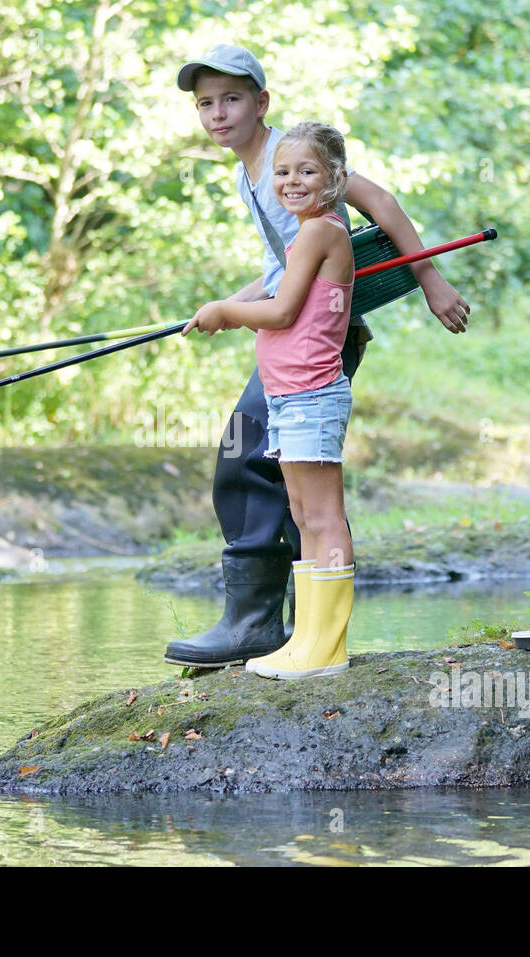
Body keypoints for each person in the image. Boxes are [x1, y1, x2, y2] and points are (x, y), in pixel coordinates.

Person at [163, 44, 471, 670]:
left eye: (232, 99)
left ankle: (268, 628)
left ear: (261, 103)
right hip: (289, 336)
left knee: (248, 457)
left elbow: (379, 205)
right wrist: (223, 303)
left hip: (317, 341)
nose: (218, 114)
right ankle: (289, 629)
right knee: (261, 465)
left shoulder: (295, 157)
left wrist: (430, 281)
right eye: (206, 104)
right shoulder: (252, 173)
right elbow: (283, 271)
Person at [183, 121, 358, 679]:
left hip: (312, 393)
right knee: (303, 514)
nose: (292, 181)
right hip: (290, 395)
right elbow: (279, 297)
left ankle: (325, 647)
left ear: (335, 180)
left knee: (323, 515)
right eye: (283, 172)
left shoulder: (319, 232)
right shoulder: (303, 233)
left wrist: (226, 311)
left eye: (308, 171)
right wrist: (225, 307)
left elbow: (281, 311)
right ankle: (305, 638)